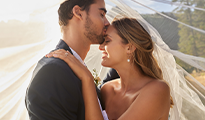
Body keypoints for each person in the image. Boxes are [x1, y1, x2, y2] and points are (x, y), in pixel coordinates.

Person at [46, 17, 174, 120]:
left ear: (129, 48)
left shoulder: (158, 90)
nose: (100, 47)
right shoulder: (107, 90)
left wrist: (87, 78)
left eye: (107, 41)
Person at [25, 0, 110, 119]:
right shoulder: (52, 72)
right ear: (78, 13)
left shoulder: (77, 67)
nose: (107, 23)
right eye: (102, 14)